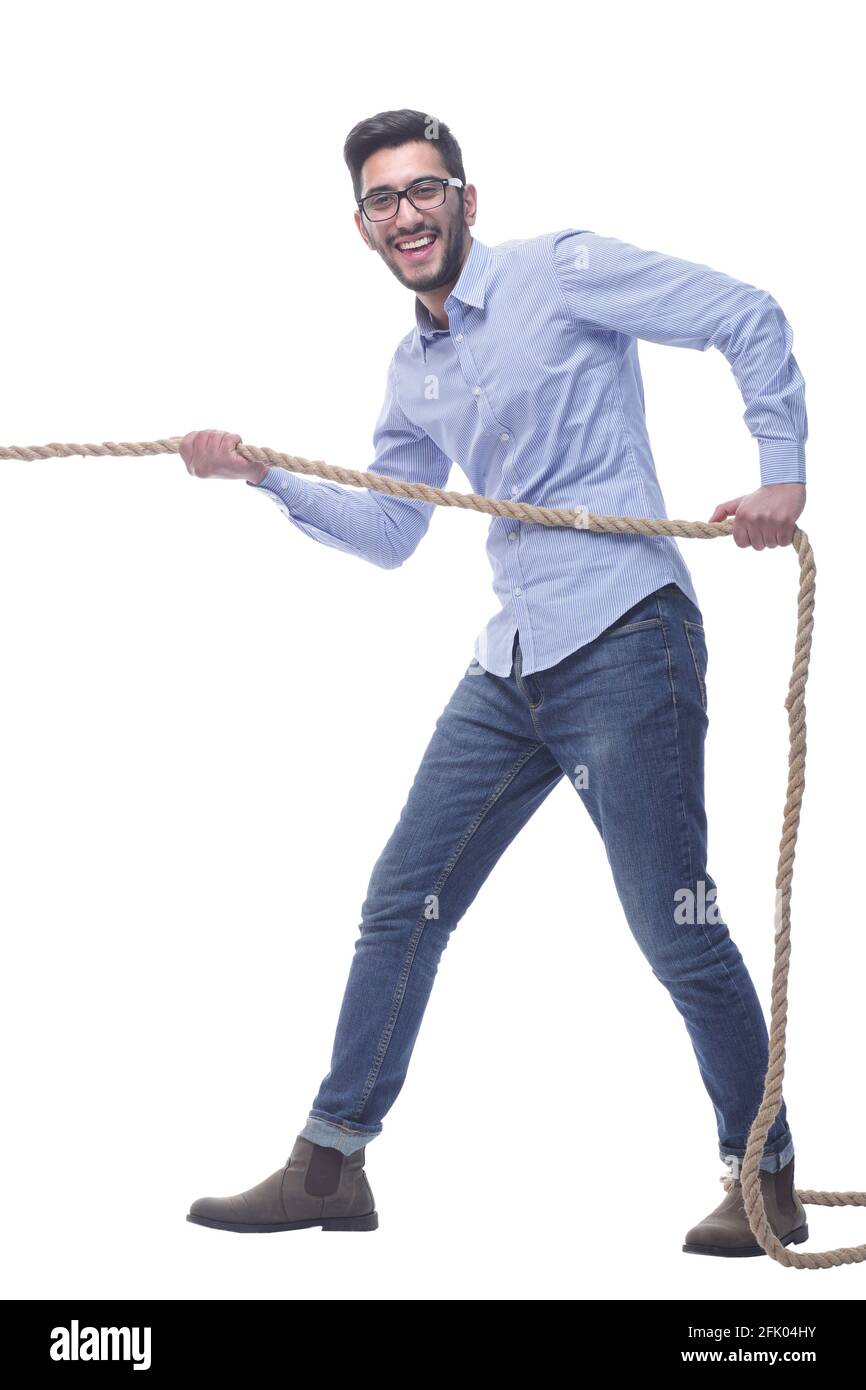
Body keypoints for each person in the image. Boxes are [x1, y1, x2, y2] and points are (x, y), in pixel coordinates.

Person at [182, 109, 809, 1254]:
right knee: (401, 901)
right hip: (511, 665)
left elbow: (743, 313)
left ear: (466, 200)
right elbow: (387, 528)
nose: (406, 214)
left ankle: (762, 1170)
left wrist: (781, 473)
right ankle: (330, 1163)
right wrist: (262, 473)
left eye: (425, 190)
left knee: (673, 922)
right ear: (361, 227)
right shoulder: (410, 369)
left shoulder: (561, 272)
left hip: (625, 638)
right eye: (383, 200)